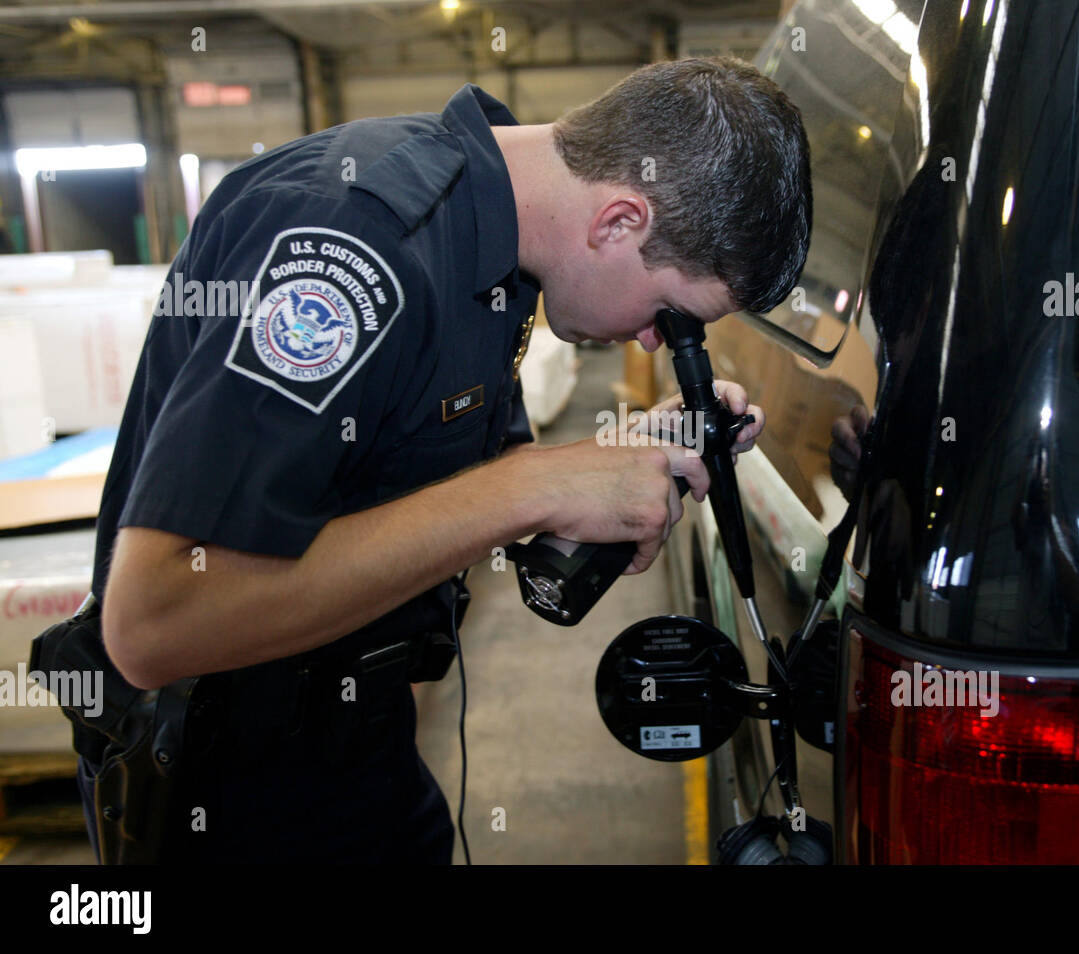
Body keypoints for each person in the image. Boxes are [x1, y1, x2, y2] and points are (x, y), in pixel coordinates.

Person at [80, 55, 812, 863]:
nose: (650, 342)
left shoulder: (494, 241)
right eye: (668, 315)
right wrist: (530, 486)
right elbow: (151, 623)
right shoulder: (351, 248)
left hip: (364, 748)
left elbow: (430, 486)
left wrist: (610, 461)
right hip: (227, 800)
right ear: (617, 222)